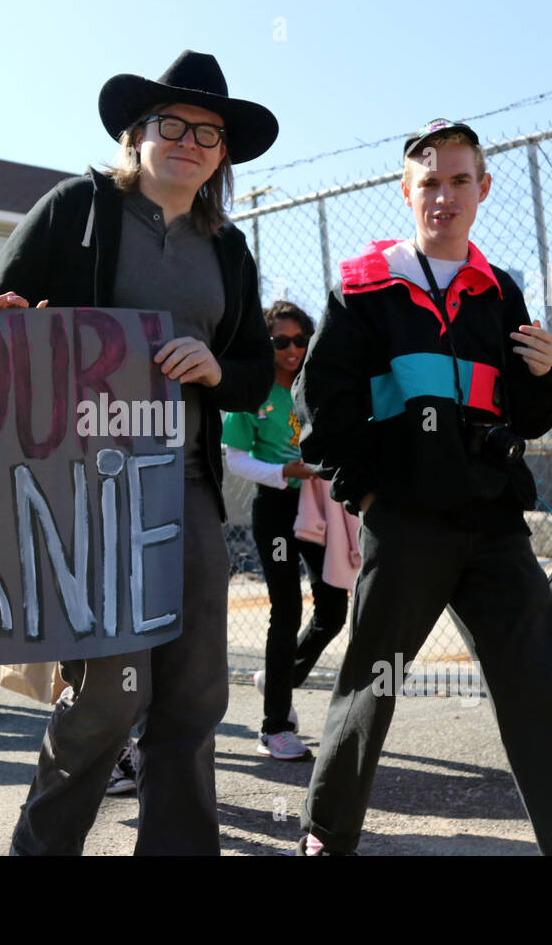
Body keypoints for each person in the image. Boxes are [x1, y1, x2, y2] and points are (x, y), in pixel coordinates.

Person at [292, 119, 552, 855]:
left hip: (496, 526)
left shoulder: (497, 289)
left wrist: (546, 376)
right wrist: (373, 496)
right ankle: (327, 832)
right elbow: (321, 416)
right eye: (430, 182)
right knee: (373, 683)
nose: (444, 195)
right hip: (407, 522)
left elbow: (530, 414)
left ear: (483, 188)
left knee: (543, 691)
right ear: (406, 191)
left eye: (459, 180)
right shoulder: (363, 290)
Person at [0, 50, 277, 854]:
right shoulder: (76, 209)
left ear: (222, 157)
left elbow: (254, 370)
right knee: (110, 695)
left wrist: (218, 369)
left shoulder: (230, 250)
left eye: (208, 134)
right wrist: (5, 316)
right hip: (88, 484)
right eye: (171, 125)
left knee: (194, 695)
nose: (189, 142)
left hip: (185, 485)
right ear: (135, 135)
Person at [222, 300, 351, 760]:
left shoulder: (313, 385)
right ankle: (275, 726)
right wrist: (285, 474)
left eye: (301, 340)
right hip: (277, 508)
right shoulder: (251, 391)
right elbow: (234, 457)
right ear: (266, 342)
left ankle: (278, 678)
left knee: (334, 607)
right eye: (281, 341)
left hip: (320, 506)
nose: (292, 349)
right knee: (286, 608)